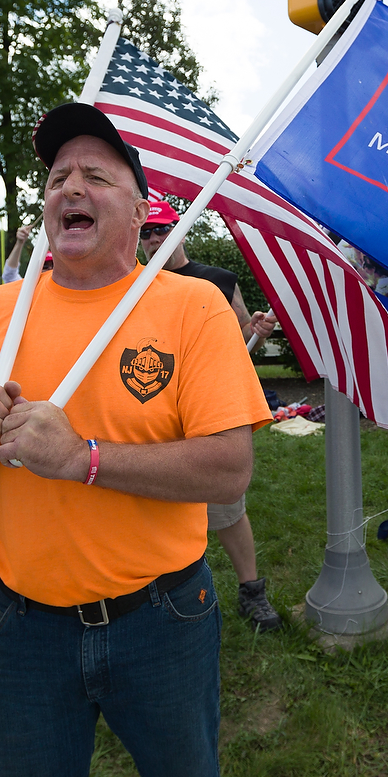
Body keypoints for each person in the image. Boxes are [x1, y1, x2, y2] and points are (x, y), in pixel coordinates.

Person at [0, 102, 271, 777]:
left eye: (95, 177)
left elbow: (228, 470)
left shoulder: (192, 308)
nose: (69, 188)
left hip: (163, 617)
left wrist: (82, 459)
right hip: (22, 629)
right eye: (57, 177)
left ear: (141, 210)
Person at [139, 200, 283, 632]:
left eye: (163, 230)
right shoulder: (135, 283)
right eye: (147, 232)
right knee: (151, 501)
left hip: (208, 411)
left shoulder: (217, 280)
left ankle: (250, 592)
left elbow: (237, 343)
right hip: (154, 410)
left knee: (226, 506)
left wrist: (254, 329)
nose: (154, 239)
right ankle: (152, 592)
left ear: (181, 232)